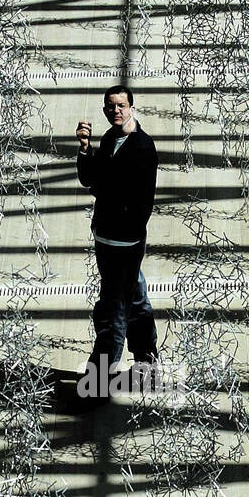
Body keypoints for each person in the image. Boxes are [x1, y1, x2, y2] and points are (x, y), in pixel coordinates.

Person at [75, 86, 158, 398]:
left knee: (112, 311)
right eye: (110, 106)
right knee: (134, 297)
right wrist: (85, 148)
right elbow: (90, 180)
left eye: (121, 105)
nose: (116, 111)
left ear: (132, 107)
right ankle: (147, 364)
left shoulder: (142, 148)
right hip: (107, 239)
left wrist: (118, 214)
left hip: (124, 242)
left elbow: (141, 203)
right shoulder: (110, 138)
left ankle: (96, 385)